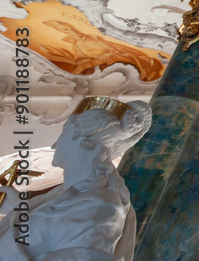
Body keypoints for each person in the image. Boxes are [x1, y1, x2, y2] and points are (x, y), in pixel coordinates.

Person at [0, 97, 152, 260]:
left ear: (79, 135)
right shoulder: (72, 198)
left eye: (64, 133)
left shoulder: (99, 207)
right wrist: (17, 208)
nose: (54, 145)